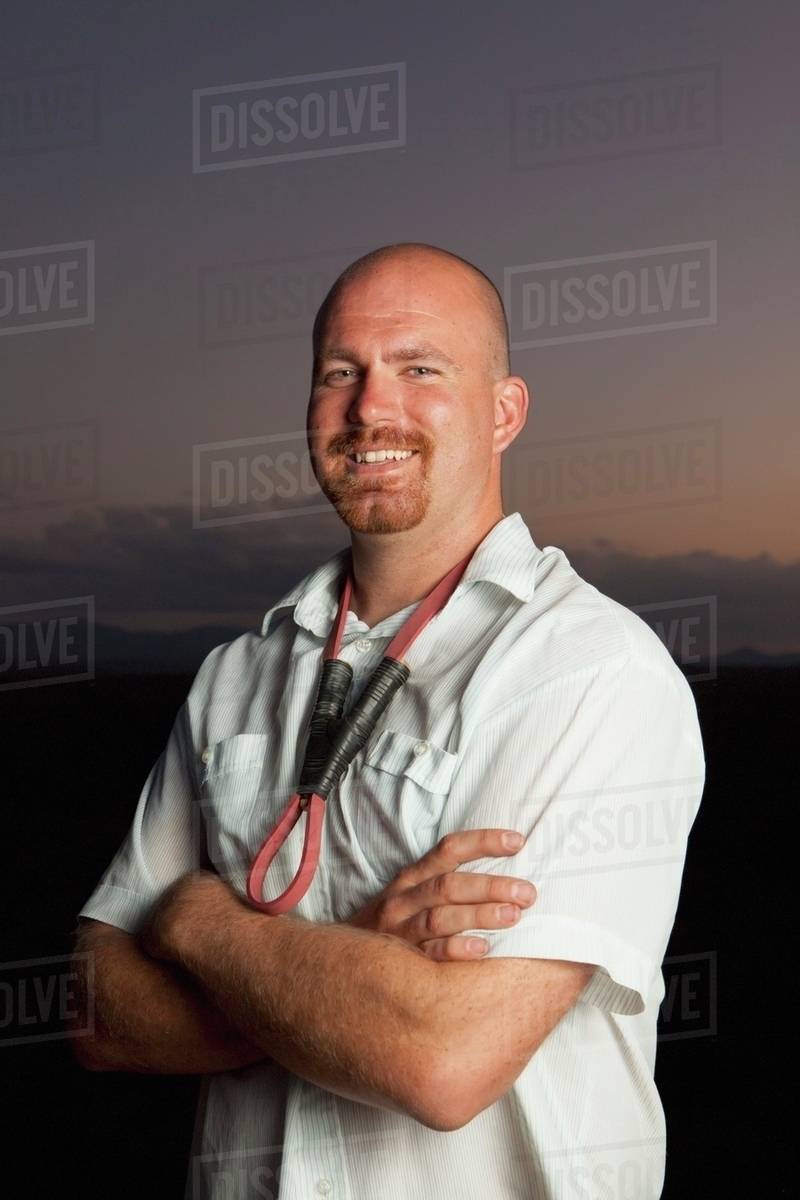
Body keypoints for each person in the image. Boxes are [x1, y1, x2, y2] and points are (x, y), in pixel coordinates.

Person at [72, 243, 705, 1199]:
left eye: (421, 368)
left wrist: (199, 920)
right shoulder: (233, 677)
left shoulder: (589, 669)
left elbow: (442, 1060)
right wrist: (357, 958)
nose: (371, 407)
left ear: (504, 412)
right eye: (340, 373)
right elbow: (94, 1013)